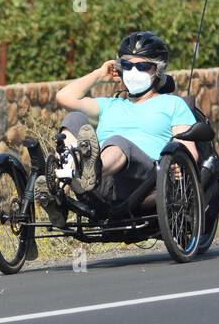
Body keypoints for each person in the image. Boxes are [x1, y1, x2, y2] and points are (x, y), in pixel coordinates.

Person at [48, 31, 198, 212]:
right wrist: (99, 74)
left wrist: (179, 165)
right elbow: (64, 97)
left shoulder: (173, 104)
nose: (134, 72)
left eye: (142, 66)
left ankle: (90, 168)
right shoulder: (109, 105)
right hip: (101, 185)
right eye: (127, 65)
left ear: (156, 70)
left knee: (118, 142)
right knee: (74, 118)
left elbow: (188, 150)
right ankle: (58, 194)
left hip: (145, 183)